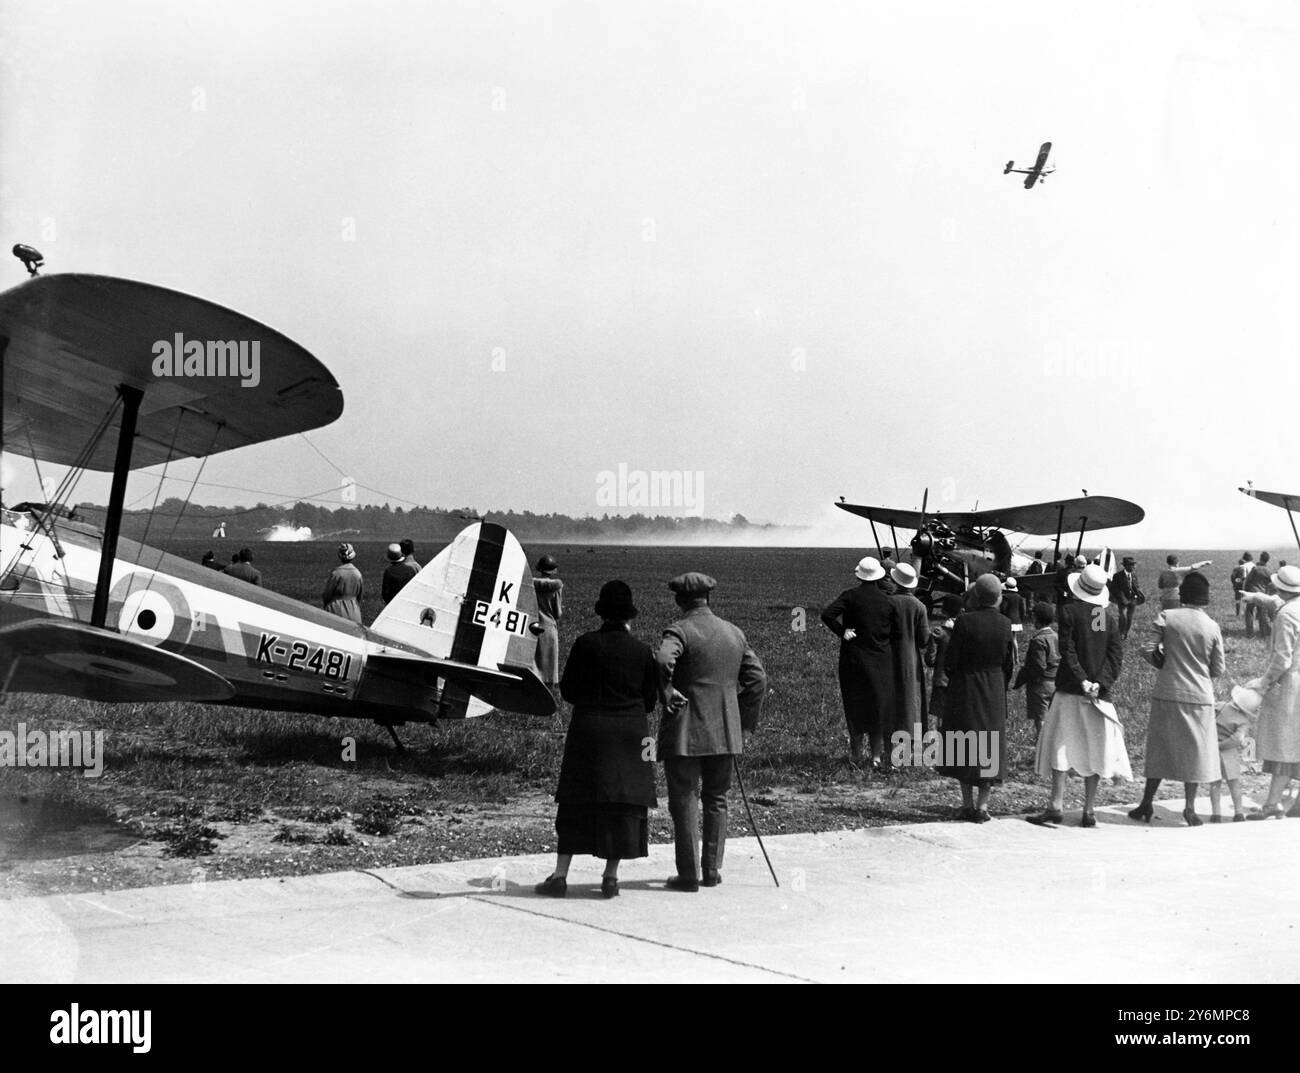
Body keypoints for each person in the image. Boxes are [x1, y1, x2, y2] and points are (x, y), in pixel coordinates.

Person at [534, 580, 657, 899]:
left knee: (576, 800)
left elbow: (569, 690)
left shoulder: (585, 644)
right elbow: (650, 700)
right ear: (630, 615)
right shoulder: (643, 652)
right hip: (631, 734)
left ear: (602, 612)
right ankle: (610, 877)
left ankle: (560, 876)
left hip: (588, 730)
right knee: (621, 801)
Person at [656, 572, 766, 891]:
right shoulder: (734, 633)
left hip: (685, 730)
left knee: (685, 797)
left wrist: (666, 690)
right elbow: (758, 680)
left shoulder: (679, 630)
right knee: (717, 798)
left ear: (680, 600)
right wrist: (742, 720)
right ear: (709, 598)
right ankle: (712, 870)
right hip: (725, 730)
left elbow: (664, 659)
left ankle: (688, 874)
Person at [1029, 563, 1130, 828]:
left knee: (1061, 745)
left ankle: (1056, 804)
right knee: (1095, 747)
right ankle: (1089, 809)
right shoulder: (1109, 617)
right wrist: (1099, 682)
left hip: (1070, 688)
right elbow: (1115, 656)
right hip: (1099, 694)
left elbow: (1068, 650)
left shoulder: (1069, 611)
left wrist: (1082, 679)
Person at [1127, 572, 1225, 827]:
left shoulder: (1167, 617)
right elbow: (1218, 669)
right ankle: (1190, 808)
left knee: (1160, 749)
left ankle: (1146, 802)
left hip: (1168, 691)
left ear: (1182, 595)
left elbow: (1146, 648)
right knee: (1194, 752)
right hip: (1199, 696)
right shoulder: (1212, 626)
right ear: (1205, 598)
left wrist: (1163, 663)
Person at [940, 574, 1014, 822]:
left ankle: (967, 804)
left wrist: (955, 673)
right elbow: (1009, 663)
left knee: (964, 741)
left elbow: (951, 661)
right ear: (998, 597)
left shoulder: (964, 621)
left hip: (966, 686)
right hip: (994, 686)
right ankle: (983, 806)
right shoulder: (1005, 623)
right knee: (989, 743)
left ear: (976, 595)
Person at [821, 557, 901, 768]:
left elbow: (827, 614)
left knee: (855, 705)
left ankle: (856, 753)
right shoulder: (888, 601)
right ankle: (876, 756)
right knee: (879, 706)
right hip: (881, 661)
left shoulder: (849, 596)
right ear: (879, 577)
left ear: (859, 575)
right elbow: (897, 633)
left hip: (853, 659)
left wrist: (842, 632)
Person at [1240, 564, 1300, 818]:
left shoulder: (1286, 615)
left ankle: (1273, 803)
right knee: (1294, 744)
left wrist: (1263, 684)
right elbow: (1279, 601)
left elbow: (1282, 659)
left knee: (1283, 745)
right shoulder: (1293, 608)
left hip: (1290, 686)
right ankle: (1283, 802)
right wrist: (1258, 598)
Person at [887, 562, 930, 739]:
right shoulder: (920, 606)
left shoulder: (888, 602)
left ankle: (890, 734)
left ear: (896, 581)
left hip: (889, 654)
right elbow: (924, 640)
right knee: (911, 697)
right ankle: (912, 737)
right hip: (911, 657)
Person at [1209, 686, 1260, 823]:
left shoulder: (1220, 706)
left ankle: (1216, 813)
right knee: (1234, 784)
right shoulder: (1244, 722)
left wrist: (1214, 744)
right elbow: (1237, 739)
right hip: (1229, 753)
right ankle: (1238, 812)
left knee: (1214, 783)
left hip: (1212, 750)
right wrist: (1224, 745)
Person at [1013, 601, 1059, 740]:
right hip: (1055, 681)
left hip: (1041, 684)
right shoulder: (1056, 636)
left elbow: (1039, 666)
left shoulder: (1038, 640)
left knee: (1041, 719)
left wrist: (1024, 677)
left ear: (1035, 618)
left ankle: (1042, 748)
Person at [924, 594, 963, 724]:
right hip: (960, 679)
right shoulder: (965, 630)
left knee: (941, 716)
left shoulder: (938, 632)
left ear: (943, 610)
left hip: (942, 679)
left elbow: (930, 658)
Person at [532, 555, 564, 694]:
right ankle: (549, 688)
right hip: (549, 625)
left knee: (534, 658)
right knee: (549, 660)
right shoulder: (555, 586)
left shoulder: (530, 584)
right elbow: (557, 612)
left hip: (532, 623)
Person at [322, 543, 364, 624]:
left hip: (335, 609)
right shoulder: (357, 573)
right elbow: (360, 596)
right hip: (354, 610)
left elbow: (327, 594)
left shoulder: (336, 573)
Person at [1108, 555, 1144, 640]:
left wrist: (1138, 595)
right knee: (1122, 616)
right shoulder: (1117, 576)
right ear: (1125, 566)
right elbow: (1113, 589)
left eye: (1133, 565)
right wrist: (1122, 598)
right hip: (1122, 600)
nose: (1133, 567)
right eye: (1131, 565)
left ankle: (1125, 632)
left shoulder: (1134, 575)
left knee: (1129, 617)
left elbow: (1136, 586)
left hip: (1133, 600)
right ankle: (1120, 633)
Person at [1244, 551, 1275, 638]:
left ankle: (1250, 633)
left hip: (1252, 593)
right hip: (1262, 594)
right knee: (1261, 613)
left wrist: (1246, 591)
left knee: (1249, 611)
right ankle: (1262, 633)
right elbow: (1271, 584)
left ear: (1260, 558)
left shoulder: (1255, 569)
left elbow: (1248, 581)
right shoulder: (1269, 571)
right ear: (1267, 560)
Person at [1000, 577, 1025, 656]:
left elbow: (1003, 609)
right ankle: (1016, 656)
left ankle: (1012, 656)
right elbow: (1022, 610)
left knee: (1008, 639)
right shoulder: (1019, 597)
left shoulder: (1005, 597)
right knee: (1014, 639)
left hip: (1008, 620)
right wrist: (1021, 618)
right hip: (1017, 620)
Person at [1230, 553, 1253, 617]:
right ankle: (1245, 613)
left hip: (1237, 586)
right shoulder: (1244, 568)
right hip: (1244, 585)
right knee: (1245, 599)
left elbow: (1232, 577)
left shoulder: (1236, 569)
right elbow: (1243, 578)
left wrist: (1235, 583)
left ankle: (1237, 613)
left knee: (1237, 600)